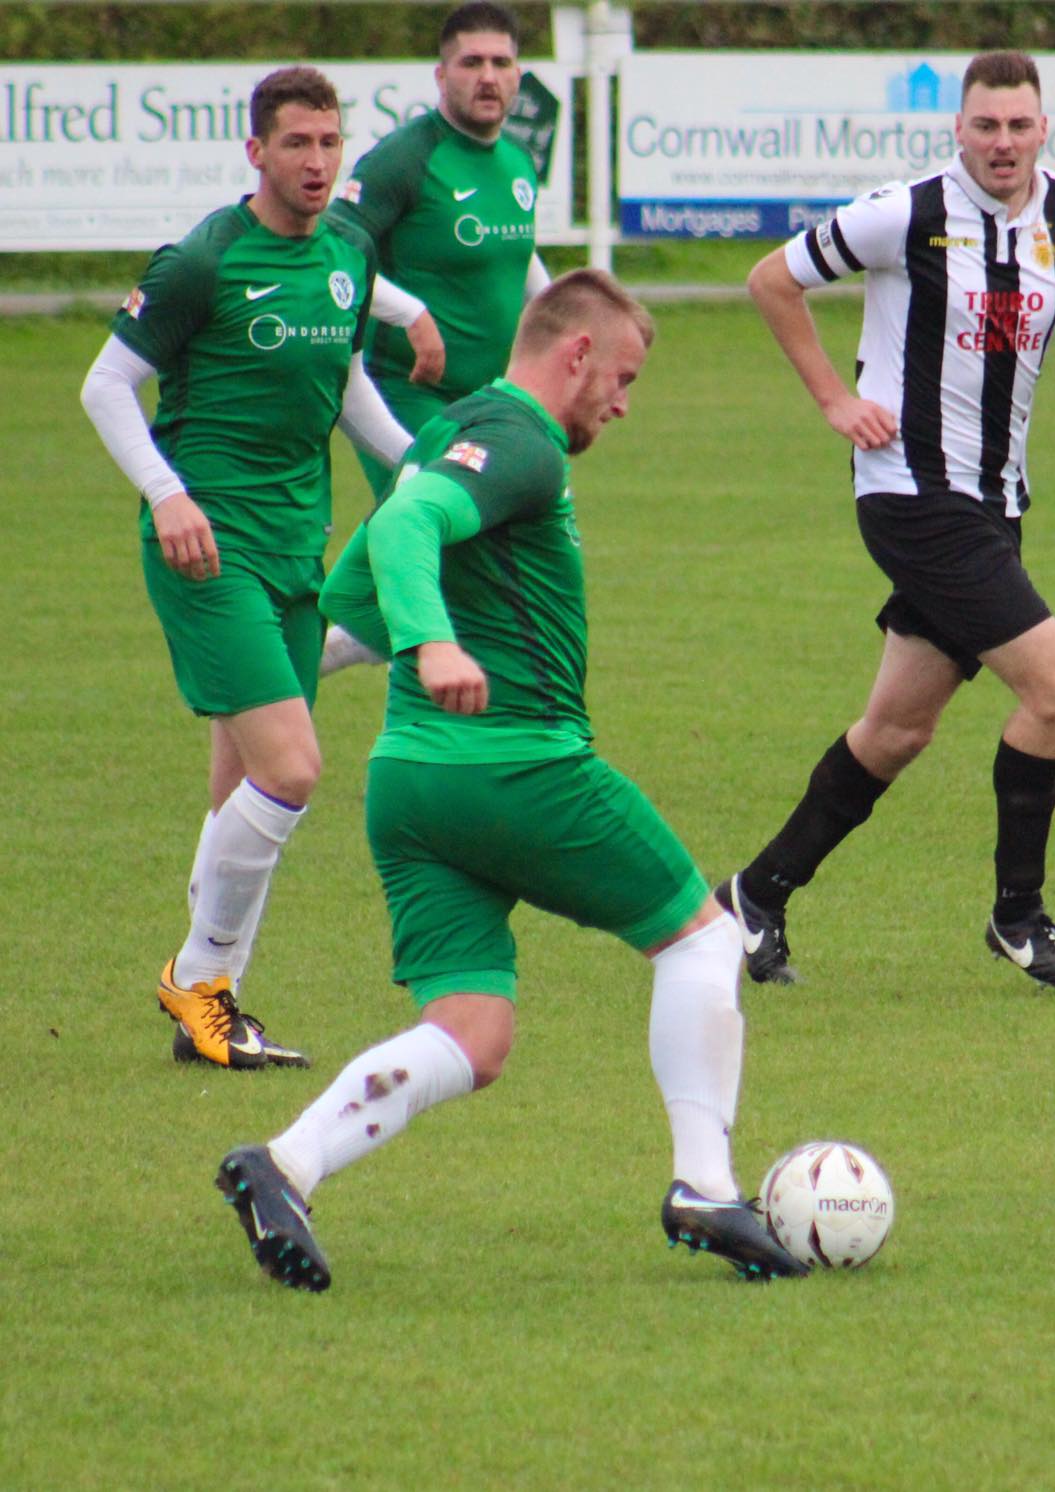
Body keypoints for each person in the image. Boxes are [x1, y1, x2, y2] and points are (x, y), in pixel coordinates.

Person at [213, 269, 808, 1290]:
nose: (621, 404)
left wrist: (284, 681)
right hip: (516, 764)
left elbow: (351, 592)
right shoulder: (521, 440)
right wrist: (438, 645)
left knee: (473, 1035)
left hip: (410, 788)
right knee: (705, 937)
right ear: (573, 353)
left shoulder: (448, 437)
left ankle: (284, 1163)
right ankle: (705, 1187)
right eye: (619, 379)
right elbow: (402, 540)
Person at [717, 49, 1055, 991]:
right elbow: (772, 279)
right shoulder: (905, 212)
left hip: (995, 504)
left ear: (1045, 129)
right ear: (957, 130)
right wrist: (836, 399)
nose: (1002, 143)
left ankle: (750, 900)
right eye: (985, 125)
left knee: (895, 731)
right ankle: (1019, 919)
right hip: (912, 495)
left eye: (1019, 125)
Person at [80, 66, 413, 1070]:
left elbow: (343, 378)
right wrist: (166, 491)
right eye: (297, 144)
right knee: (293, 767)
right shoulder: (202, 262)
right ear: (255, 152)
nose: (317, 163)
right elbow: (106, 384)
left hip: (292, 548)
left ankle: (212, 1006)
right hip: (206, 549)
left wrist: (415, 462)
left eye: (329, 142)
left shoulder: (349, 252)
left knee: (238, 787)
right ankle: (199, 980)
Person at [319, 0, 551, 676]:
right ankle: (309, 655)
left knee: (467, 558)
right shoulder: (405, 160)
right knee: (446, 542)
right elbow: (332, 245)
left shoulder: (515, 161)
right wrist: (406, 312)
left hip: (492, 401)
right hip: (405, 396)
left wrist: (574, 320)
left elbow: (519, 260)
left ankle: (323, 653)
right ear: (440, 74)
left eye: (502, 63)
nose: (489, 77)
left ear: (519, 74)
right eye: (471, 62)